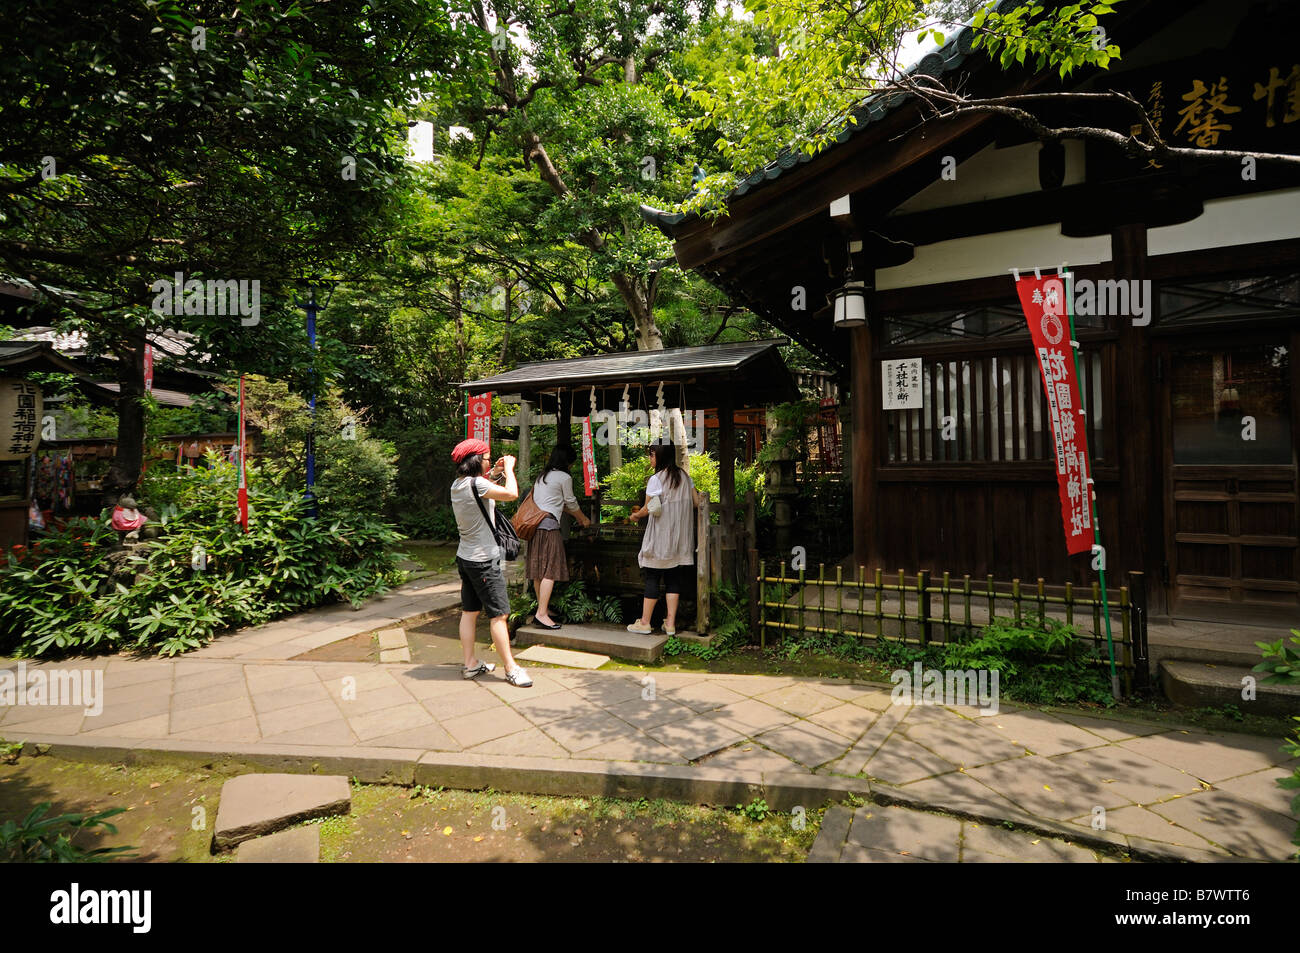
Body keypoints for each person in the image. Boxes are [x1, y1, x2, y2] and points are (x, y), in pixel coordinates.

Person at [449, 438, 532, 688]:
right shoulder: (478, 484)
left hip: (465, 558)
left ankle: (471, 664)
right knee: (499, 615)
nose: (489, 461)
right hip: (483, 561)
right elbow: (512, 493)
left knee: (470, 612)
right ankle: (511, 668)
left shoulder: (458, 484)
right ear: (476, 461)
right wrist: (508, 470)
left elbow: (481, 489)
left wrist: (493, 471)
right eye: (486, 458)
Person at [626, 440, 697, 637]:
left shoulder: (656, 479)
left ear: (660, 456)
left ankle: (646, 622)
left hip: (660, 538)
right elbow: (698, 502)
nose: (650, 458)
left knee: (653, 577)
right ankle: (671, 624)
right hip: (680, 540)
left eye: (652, 454)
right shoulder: (685, 478)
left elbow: (647, 509)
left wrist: (634, 516)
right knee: (673, 579)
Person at [526, 444, 591, 629]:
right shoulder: (564, 477)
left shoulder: (542, 477)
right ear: (567, 462)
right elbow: (570, 502)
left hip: (535, 527)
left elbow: (556, 503)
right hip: (549, 528)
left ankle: (542, 609)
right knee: (550, 570)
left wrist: (576, 516)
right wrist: (583, 519)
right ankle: (541, 614)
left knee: (539, 571)